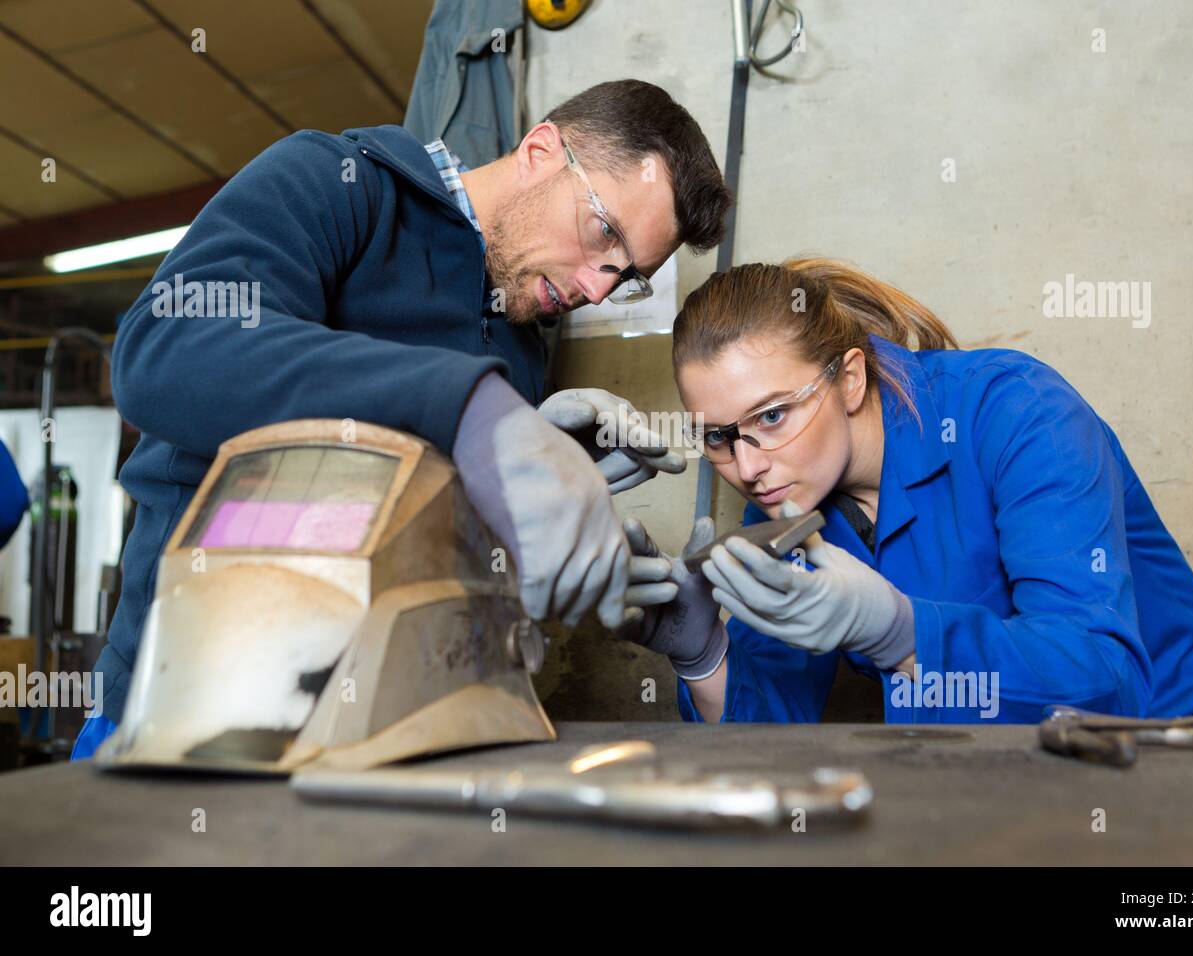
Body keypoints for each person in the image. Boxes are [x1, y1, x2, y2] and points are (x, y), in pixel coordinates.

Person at [71, 79, 731, 759]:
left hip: (399, 737)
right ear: (540, 151)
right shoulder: (337, 184)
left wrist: (534, 481)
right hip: (188, 719)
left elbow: (414, 531)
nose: (596, 287)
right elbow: (167, 350)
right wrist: (473, 410)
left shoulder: (524, 336)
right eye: (602, 234)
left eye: (626, 276)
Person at [622, 258, 1193, 724]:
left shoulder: (1018, 415)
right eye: (719, 437)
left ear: (850, 381)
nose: (748, 466)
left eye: (773, 416)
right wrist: (703, 654)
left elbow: (1107, 681)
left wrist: (906, 633)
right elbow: (773, 743)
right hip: (994, 795)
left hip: (1180, 769)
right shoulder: (795, 507)